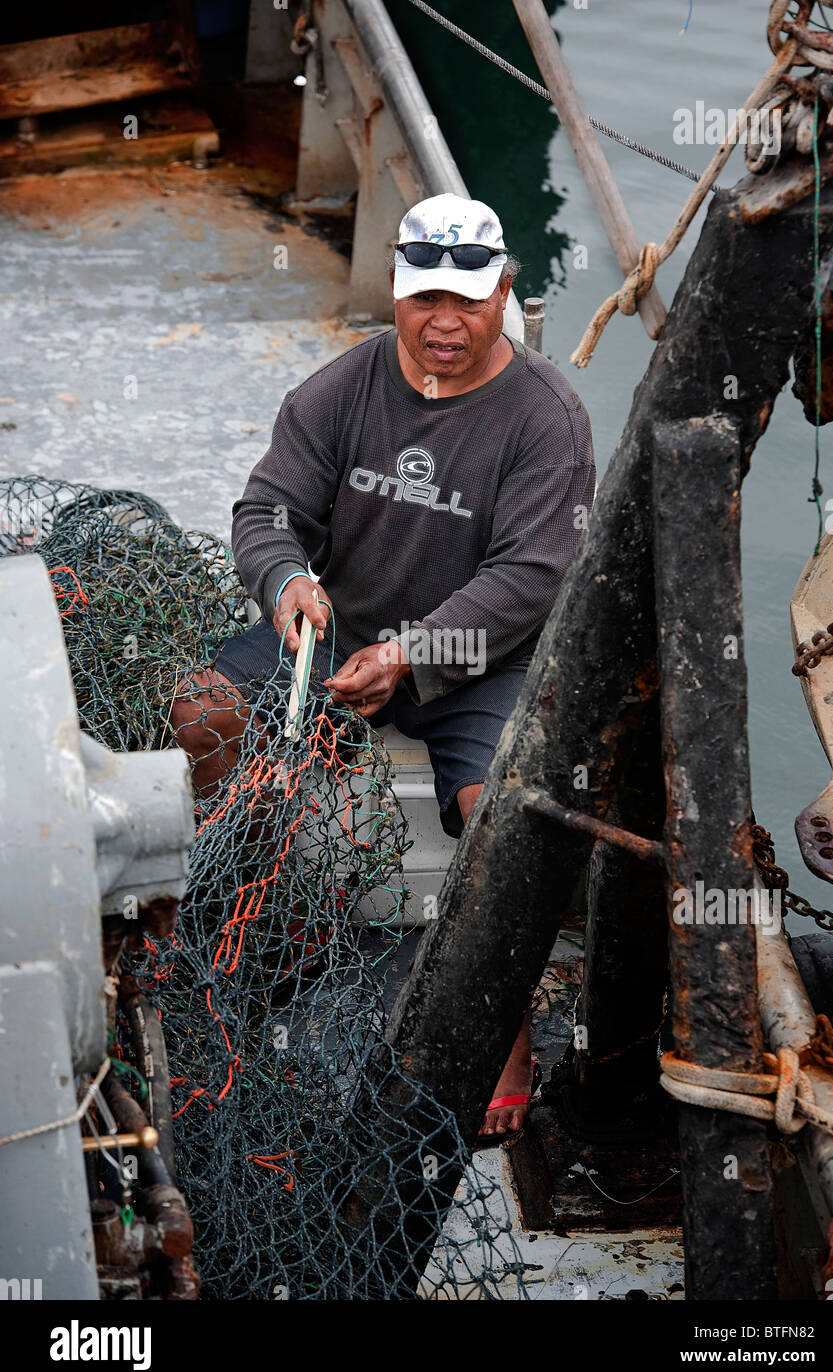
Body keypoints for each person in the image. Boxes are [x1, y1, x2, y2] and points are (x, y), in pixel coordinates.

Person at [170, 192, 595, 1137]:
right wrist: (285, 585)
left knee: (498, 819)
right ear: (397, 290)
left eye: (468, 300)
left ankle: (505, 1029)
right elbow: (268, 511)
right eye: (424, 297)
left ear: (503, 294)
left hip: (480, 662)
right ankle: (257, 906)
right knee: (200, 710)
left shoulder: (546, 421)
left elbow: (529, 579)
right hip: (339, 633)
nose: (445, 322)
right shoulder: (342, 387)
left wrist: (411, 654)